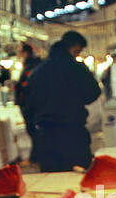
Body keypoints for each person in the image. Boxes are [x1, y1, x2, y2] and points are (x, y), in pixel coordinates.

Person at [23, 29, 101, 172]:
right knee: (80, 182)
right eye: (78, 51)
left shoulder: (37, 72)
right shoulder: (77, 69)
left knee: (53, 184)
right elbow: (94, 92)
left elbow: (27, 106)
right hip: (74, 134)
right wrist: (76, 100)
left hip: (47, 138)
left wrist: (34, 134)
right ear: (74, 48)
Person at [14, 42, 40, 142]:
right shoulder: (29, 65)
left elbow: (30, 85)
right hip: (29, 104)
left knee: (34, 132)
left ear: (25, 53)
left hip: (31, 105)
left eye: (19, 52)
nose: (18, 55)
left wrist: (19, 86)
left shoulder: (31, 66)